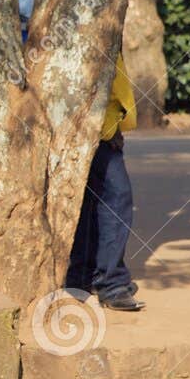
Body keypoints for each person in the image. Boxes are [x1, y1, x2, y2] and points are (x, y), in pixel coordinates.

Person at [66, 55, 141, 311]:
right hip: (88, 125)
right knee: (116, 196)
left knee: (90, 202)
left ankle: (82, 277)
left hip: (101, 124)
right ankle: (111, 282)